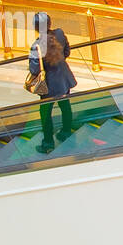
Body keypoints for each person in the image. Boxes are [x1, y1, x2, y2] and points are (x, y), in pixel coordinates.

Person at [29, 12, 77, 153]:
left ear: (36, 28)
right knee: (65, 105)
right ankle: (66, 131)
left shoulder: (36, 46)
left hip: (49, 86)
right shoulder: (60, 34)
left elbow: (34, 70)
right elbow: (67, 51)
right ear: (50, 23)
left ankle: (48, 143)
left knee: (45, 114)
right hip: (64, 78)